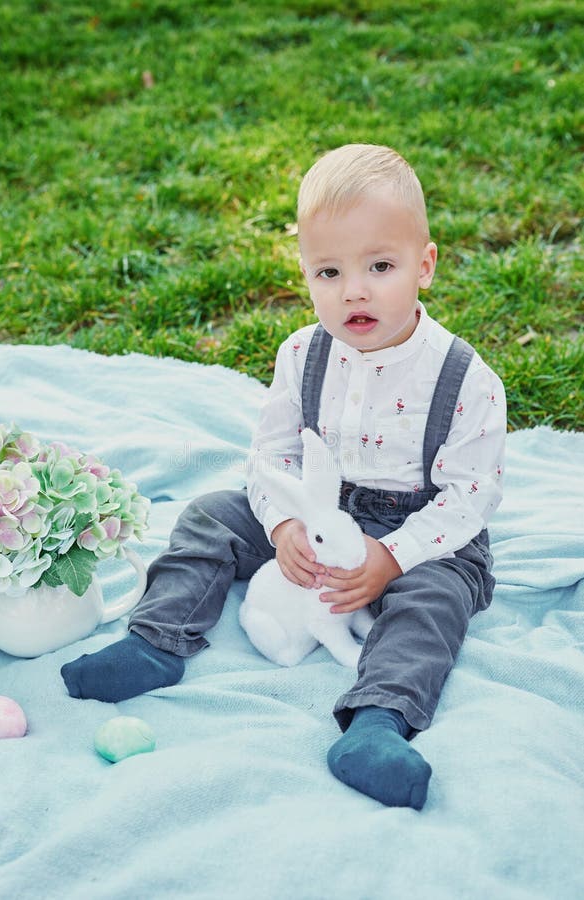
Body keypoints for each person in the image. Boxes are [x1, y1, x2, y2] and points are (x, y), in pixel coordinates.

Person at [61, 144, 506, 811]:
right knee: (210, 514)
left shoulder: (464, 377)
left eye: (379, 266)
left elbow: (470, 494)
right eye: (328, 271)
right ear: (304, 273)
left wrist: (392, 556)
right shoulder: (302, 354)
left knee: (433, 604)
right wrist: (283, 523)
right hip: (318, 510)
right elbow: (271, 456)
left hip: (421, 529)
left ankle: (376, 721)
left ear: (425, 265)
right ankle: (157, 638)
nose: (353, 289)